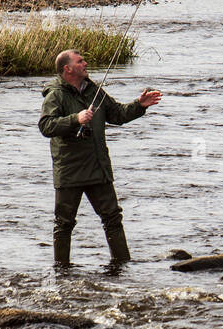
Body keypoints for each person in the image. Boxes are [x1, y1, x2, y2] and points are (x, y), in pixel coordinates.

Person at [38, 50, 162, 267]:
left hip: (98, 168)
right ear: (68, 69)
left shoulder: (94, 90)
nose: (86, 63)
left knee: (113, 219)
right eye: (80, 61)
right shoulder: (55, 95)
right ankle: (62, 270)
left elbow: (118, 114)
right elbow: (46, 126)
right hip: (69, 171)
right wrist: (75, 119)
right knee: (64, 224)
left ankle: (122, 267)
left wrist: (139, 105)